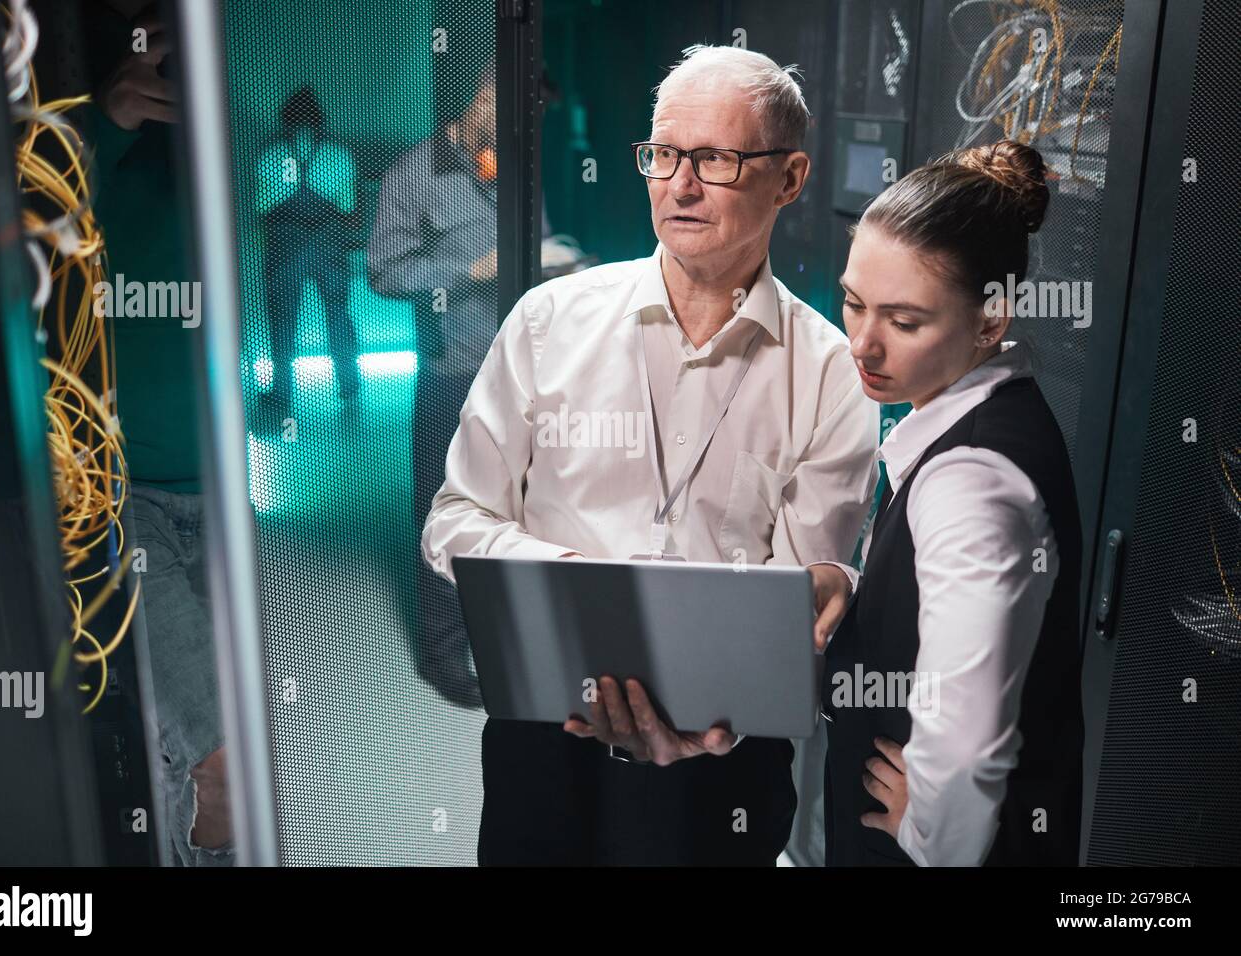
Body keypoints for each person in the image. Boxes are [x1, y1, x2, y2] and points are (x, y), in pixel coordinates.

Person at [422, 44, 879, 866]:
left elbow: (795, 598)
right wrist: (570, 590)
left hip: (720, 759)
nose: (680, 184)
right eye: (663, 154)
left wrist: (708, 718)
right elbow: (455, 520)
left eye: (716, 158)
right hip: (543, 728)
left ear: (792, 177)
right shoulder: (546, 319)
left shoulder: (830, 374)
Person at [812, 140, 1085, 866]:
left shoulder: (970, 480)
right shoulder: (983, 420)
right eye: (853, 302)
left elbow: (966, 748)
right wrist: (859, 589)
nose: (861, 346)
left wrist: (928, 834)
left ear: (991, 321)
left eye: (904, 323)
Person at [84, 0, 232, 865]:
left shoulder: (220, 142)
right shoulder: (65, 137)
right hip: (120, 495)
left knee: (231, 749)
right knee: (214, 763)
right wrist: (103, 122)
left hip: (222, 493)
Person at [369, 59, 557, 708]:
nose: (519, 129)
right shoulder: (413, 173)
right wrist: (470, 267)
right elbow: (384, 272)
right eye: (511, 112)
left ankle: (508, 633)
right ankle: (443, 655)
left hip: (524, 372)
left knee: (520, 507)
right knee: (447, 510)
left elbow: (539, 239)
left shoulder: (513, 164)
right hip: (452, 374)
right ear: (480, 97)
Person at [256, 85, 360, 416]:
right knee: (338, 314)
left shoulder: (270, 153)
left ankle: (282, 393)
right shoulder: (339, 154)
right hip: (328, 242)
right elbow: (349, 207)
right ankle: (348, 383)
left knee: (282, 320)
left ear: (286, 120)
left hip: (285, 243)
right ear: (320, 121)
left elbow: (262, 209)